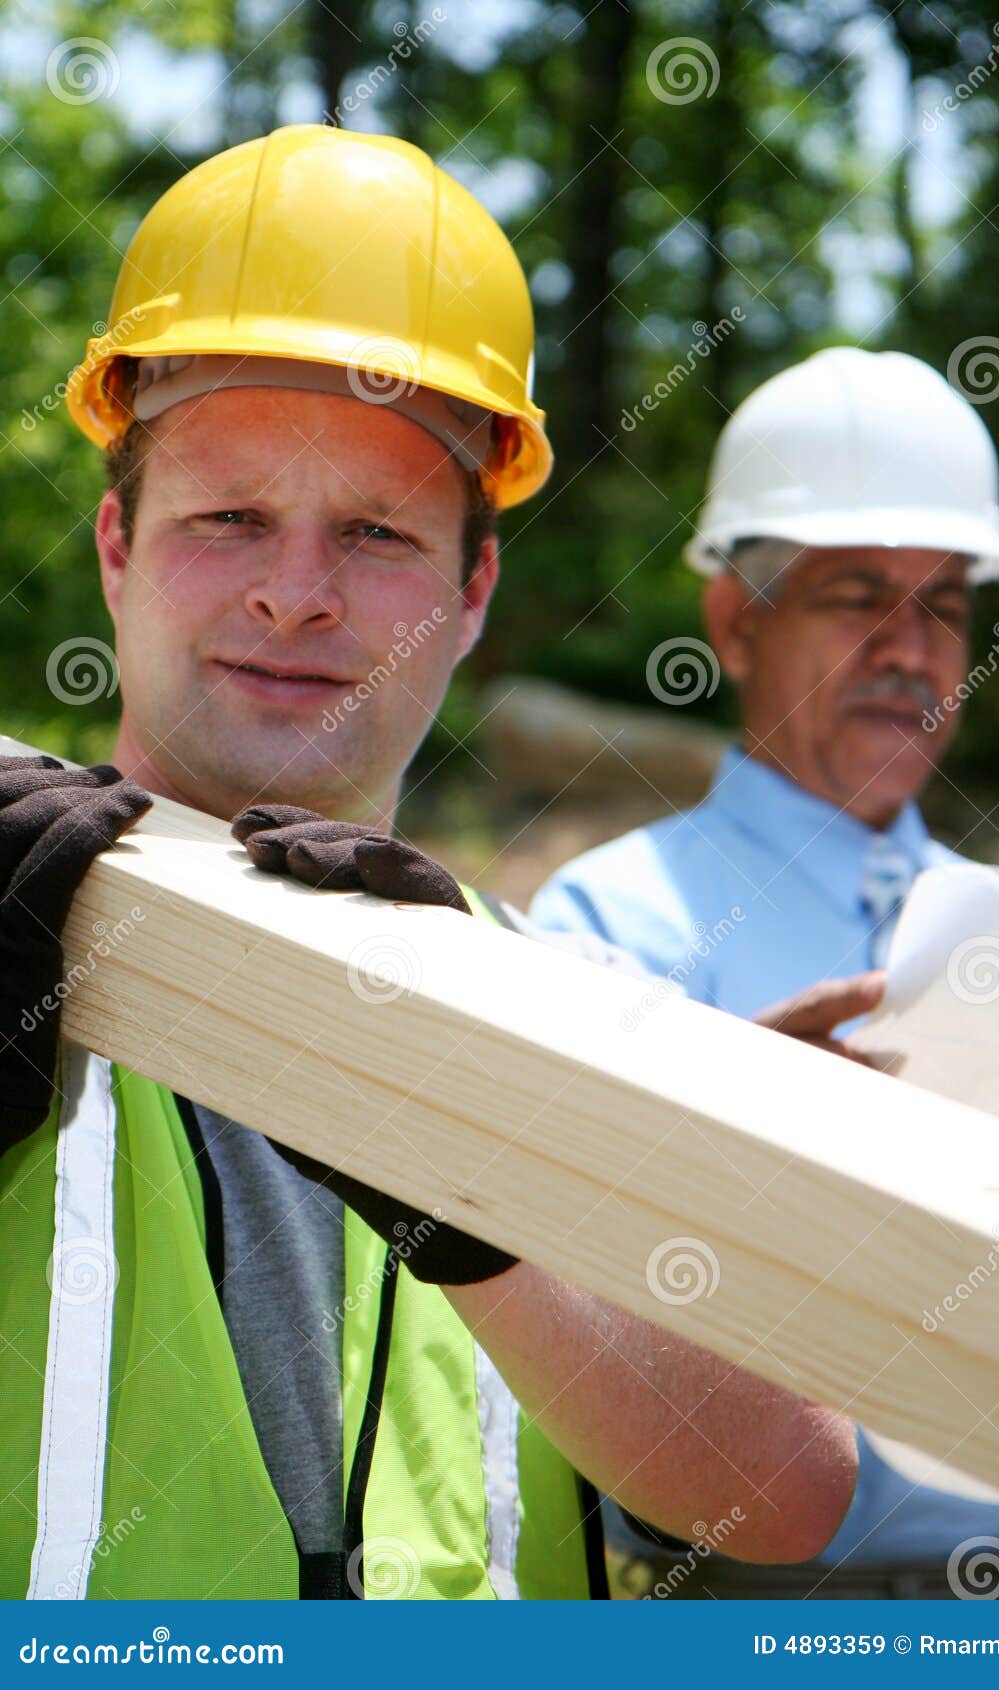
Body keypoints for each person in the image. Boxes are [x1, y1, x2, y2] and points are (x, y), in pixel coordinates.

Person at [0, 129, 856, 1602]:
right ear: (117, 548)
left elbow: (779, 1491)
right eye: (229, 517)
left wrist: (465, 1174)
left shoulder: (562, 996)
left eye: (376, 532)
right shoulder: (4, 917)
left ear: (470, 592)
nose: (294, 589)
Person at [532, 346, 999, 1598]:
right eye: (855, 597)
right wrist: (735, 1171)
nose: (911, 650)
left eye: (943, 604)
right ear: (734, 622)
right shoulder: (605, 925)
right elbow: (567, 1363)